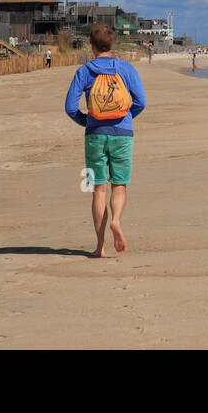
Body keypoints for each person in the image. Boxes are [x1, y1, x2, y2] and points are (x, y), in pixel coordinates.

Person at [65, 23, 146, 258]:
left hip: (94, 135)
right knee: (119, 184)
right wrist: (127, 119)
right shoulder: (126, 69)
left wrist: (88, 122)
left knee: (98, 189)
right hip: (123, 134)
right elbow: (141, 101)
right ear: (111, 45)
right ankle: (117, 221)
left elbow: (70, 108)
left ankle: (100, 246)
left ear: (91, 46)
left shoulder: (84, 72)